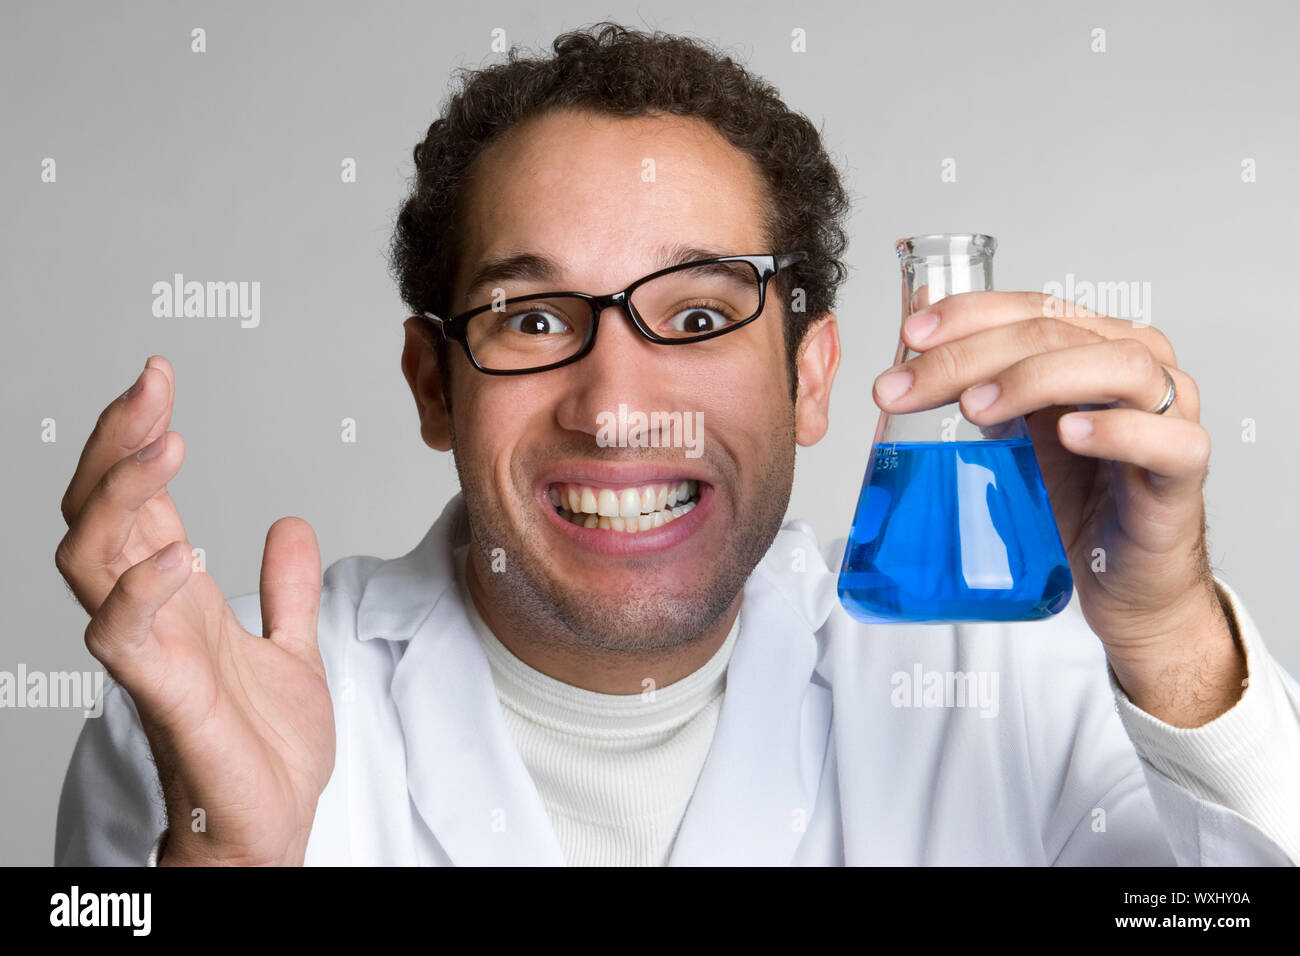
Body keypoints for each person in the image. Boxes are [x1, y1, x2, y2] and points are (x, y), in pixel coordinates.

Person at [54, 22, 1300, 867]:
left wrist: (1167, 636)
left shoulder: (1020, 679)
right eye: (532, 317)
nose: (616, 406)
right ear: (433, 386)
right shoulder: (211, 710)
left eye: (699, 315)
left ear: (812, 379)